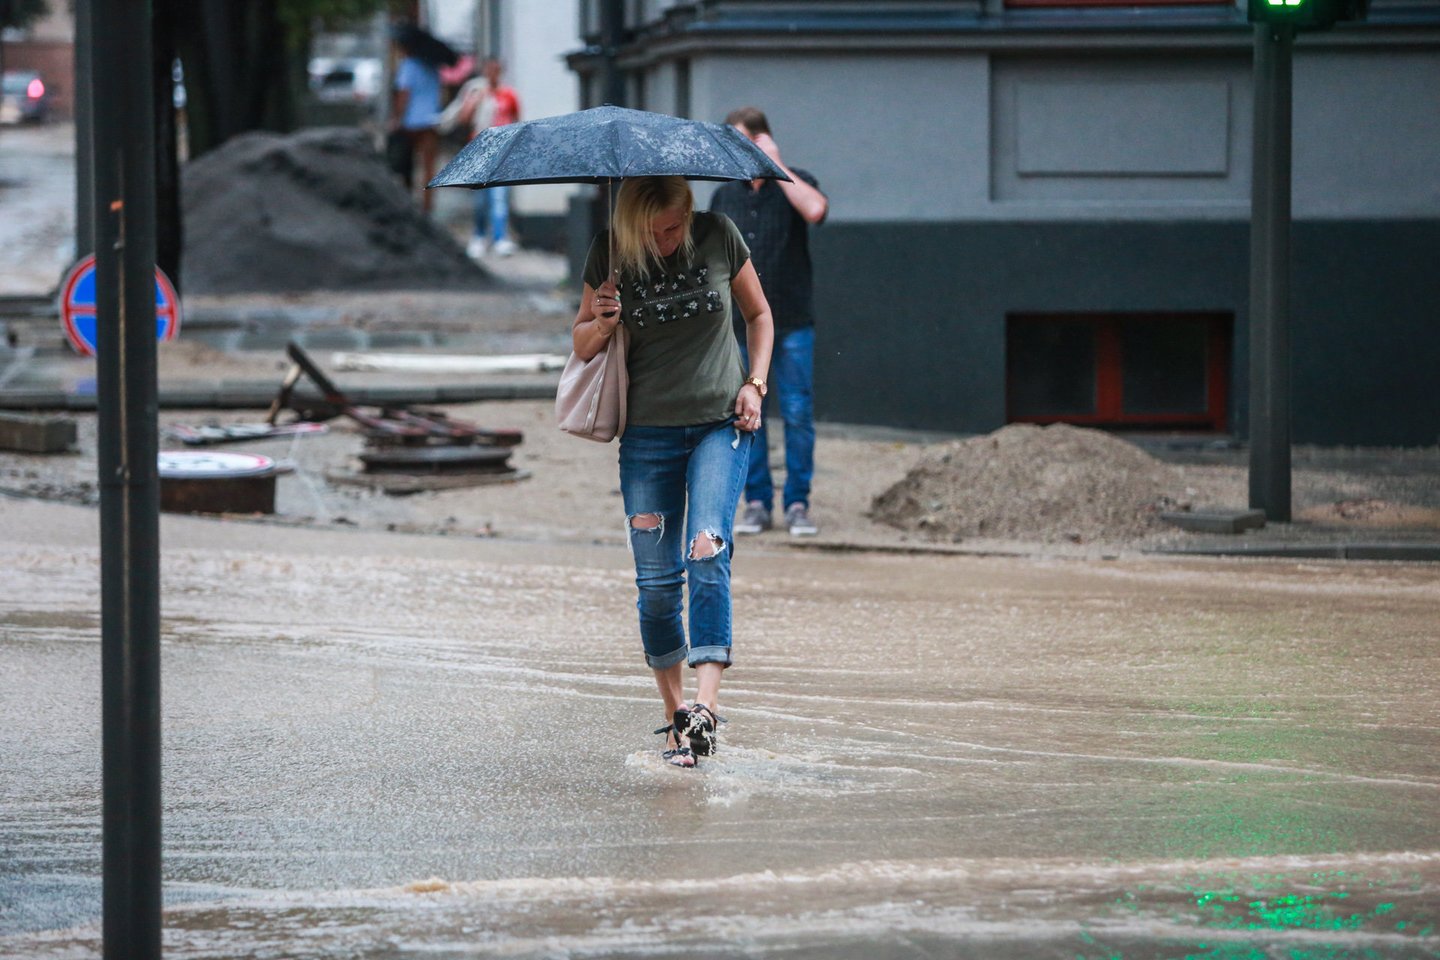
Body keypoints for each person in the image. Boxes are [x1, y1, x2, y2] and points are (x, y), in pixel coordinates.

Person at [574, 176, 773, 768]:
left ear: (690, 215)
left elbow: (758, 315)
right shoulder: (609, 252)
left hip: (720, 423)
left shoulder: (719, 235)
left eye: (674, 228)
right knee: (658, 588)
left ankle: (707, 710)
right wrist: (605, 319)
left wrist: (755, 385)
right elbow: (582, 344)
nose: (665, 241)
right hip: (647, 437)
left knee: (707, 548)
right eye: (653, 232)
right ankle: (675, 719)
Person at [709, 107, 828, 537]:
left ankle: (797, 503)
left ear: (763, 141)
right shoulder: (726, 195)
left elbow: (815, 210)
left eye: (744, 141)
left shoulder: (794, 182)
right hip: (739, 329)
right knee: (744, 413)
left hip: (792, 321)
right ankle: (756, 502)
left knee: (797, 412)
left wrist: (775, 165)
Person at [440, 58, 521, 258]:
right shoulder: (477, 91)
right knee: (480, 199)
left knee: (499, 197)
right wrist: (474, 102)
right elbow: (463, 119)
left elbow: (516, 121)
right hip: (479, 149)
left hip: (502, 151)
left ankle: (500, 238)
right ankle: (479, 236)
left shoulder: (509, 94)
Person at [390, 30, 443, 215]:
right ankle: (427, 207)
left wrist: (397, 118)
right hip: (431, 121)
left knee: (407, 165)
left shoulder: (408, 66)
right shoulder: (433, 65)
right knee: (429, 167)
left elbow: (404, 94)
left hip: (411, 123)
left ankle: (408, 205)